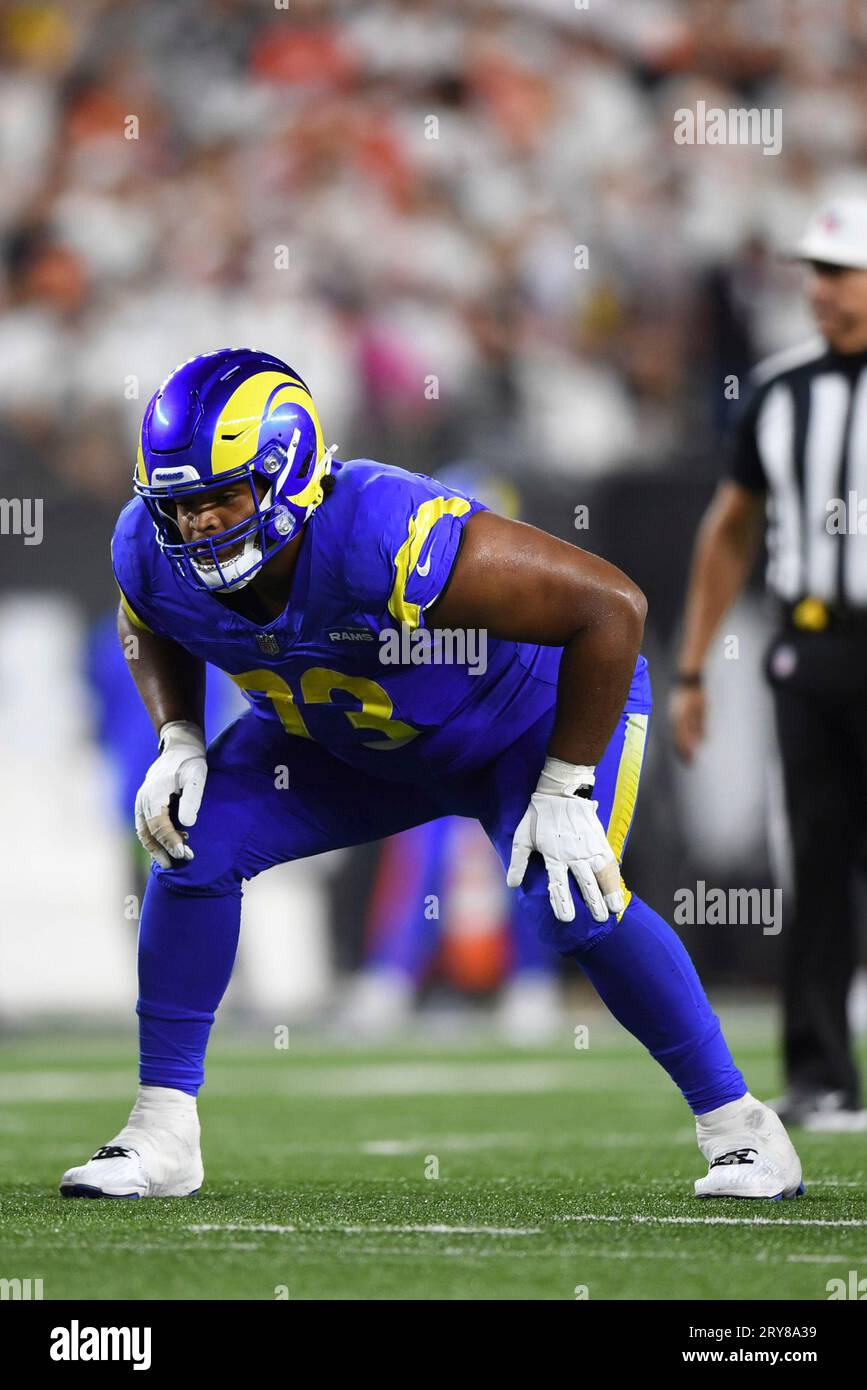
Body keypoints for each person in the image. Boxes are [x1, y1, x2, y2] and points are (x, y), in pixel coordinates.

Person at [61, 347, 803, 1199]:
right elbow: (147, 614)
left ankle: (741, 1128)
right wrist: (179, 736)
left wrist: (564, 781)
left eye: (220, 497)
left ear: (287, 473)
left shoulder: (384, 530)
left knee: (570, 899)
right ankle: (162, 1134)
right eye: (179, 505)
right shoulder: (148, 550)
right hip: (346, 742)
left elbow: (610, 607)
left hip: (518, 726)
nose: (196, 527)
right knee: (189, 841)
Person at [671, 197, 867, 1130]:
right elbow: (730, 527)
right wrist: (692, 667)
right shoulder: (780, 389)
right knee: (817, 861)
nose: (817, 291)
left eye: (837, 272)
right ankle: (822, 1073)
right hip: (810, 647)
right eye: (813, 273)